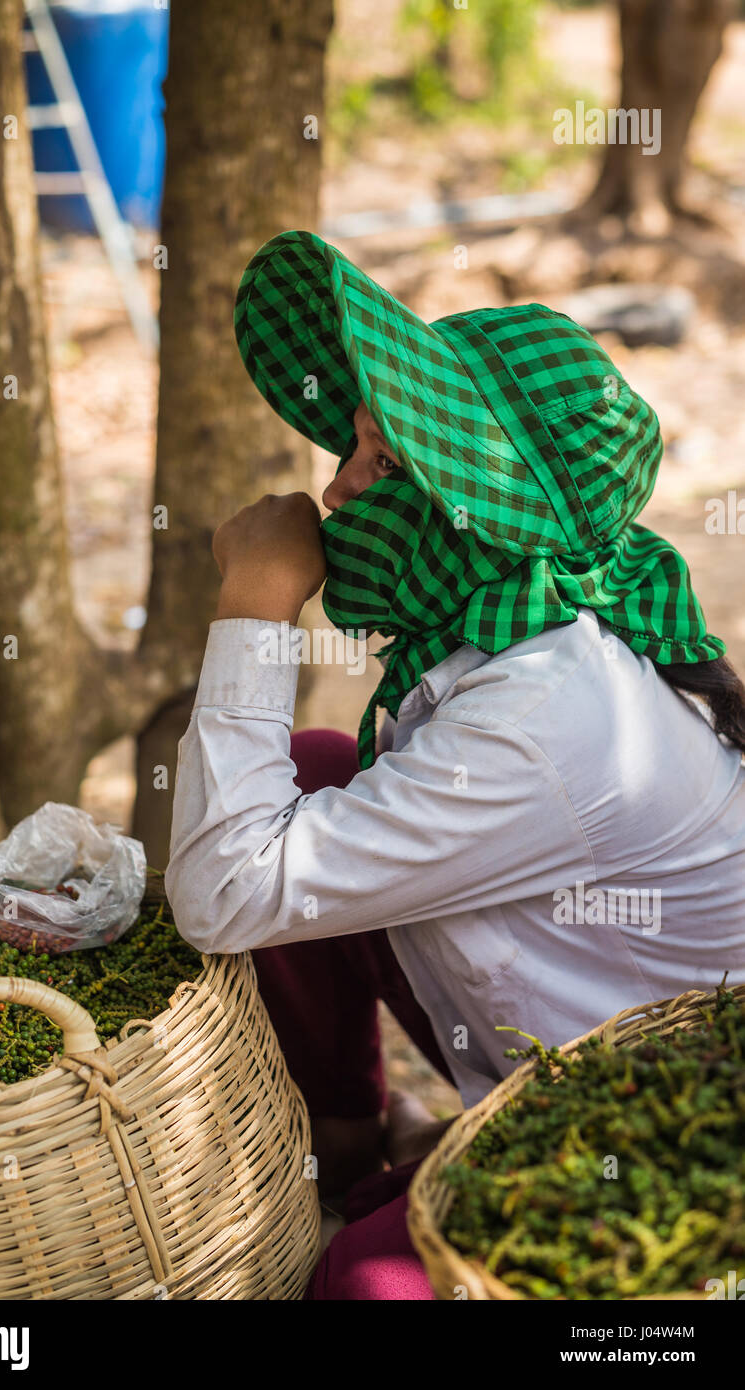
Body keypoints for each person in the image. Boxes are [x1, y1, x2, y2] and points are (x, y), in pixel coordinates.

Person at [164, 229, 745, 1300]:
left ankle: (413, 1169)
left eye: (382, 467)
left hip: (656, 1124)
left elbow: (219, 892)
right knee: (318, 766)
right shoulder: (502, 627)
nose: (337, 494)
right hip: (552, 1040)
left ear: (479, 520)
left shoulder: (546, 714)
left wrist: (252, 608)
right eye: (355, 450)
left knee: (366, 1281)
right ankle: (352, 1146)